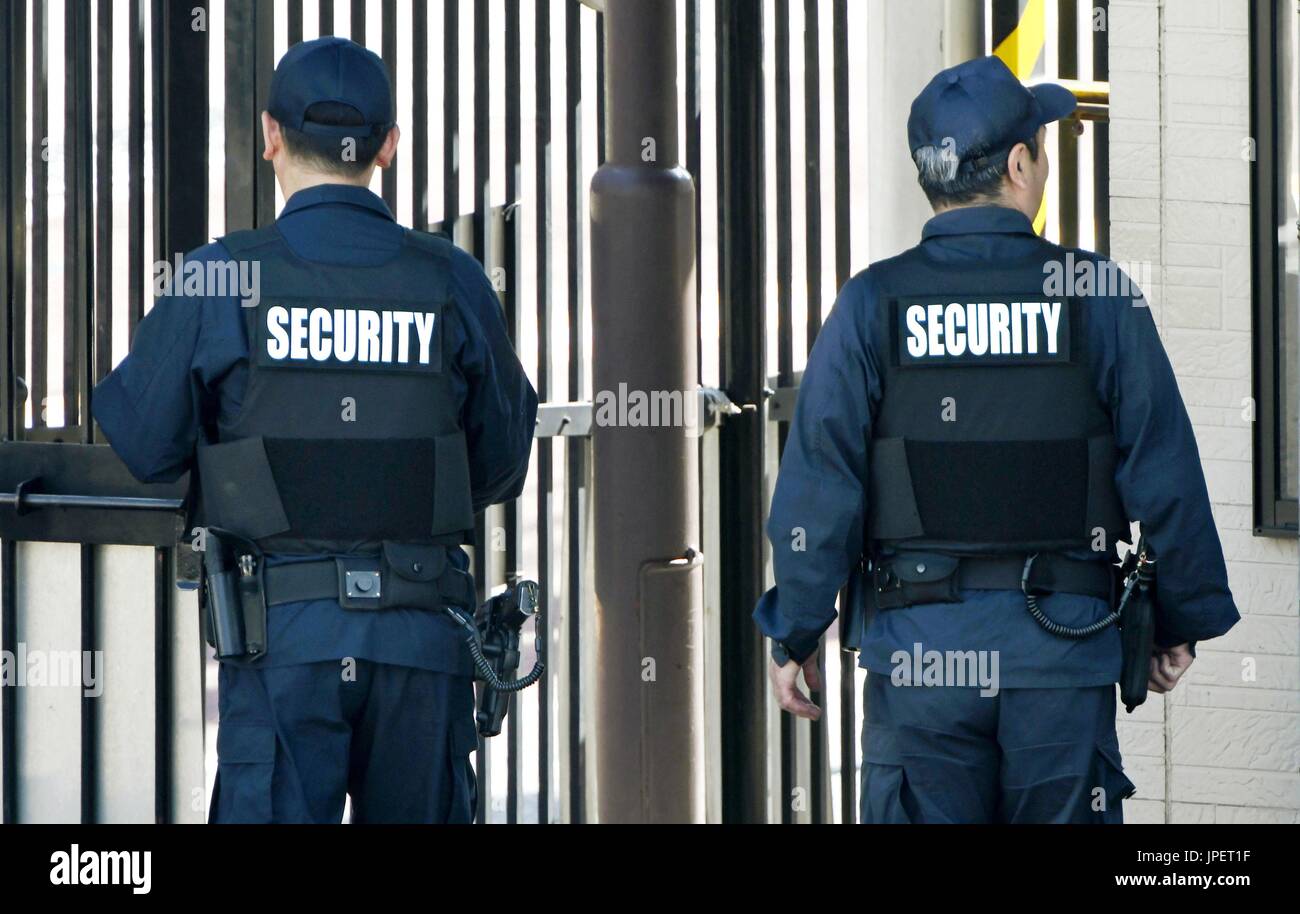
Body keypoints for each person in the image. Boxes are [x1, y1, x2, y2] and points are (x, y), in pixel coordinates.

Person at [753, 55, 1239, 824]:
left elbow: (820, 485)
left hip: (921, 666)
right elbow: (1166, 472)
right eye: (1041, 146)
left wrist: (796, 630)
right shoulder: (1096, 294)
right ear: (1019, 164)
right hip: (1060, 654)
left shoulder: (871, 303)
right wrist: (1178, 618)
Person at [92, 36, 537, 823]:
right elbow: (499, 466)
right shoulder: (451, 279)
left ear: (269, 137)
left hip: (282, 644)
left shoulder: (223, 276)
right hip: (419, 641)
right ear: (388, 147)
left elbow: (143, 444)